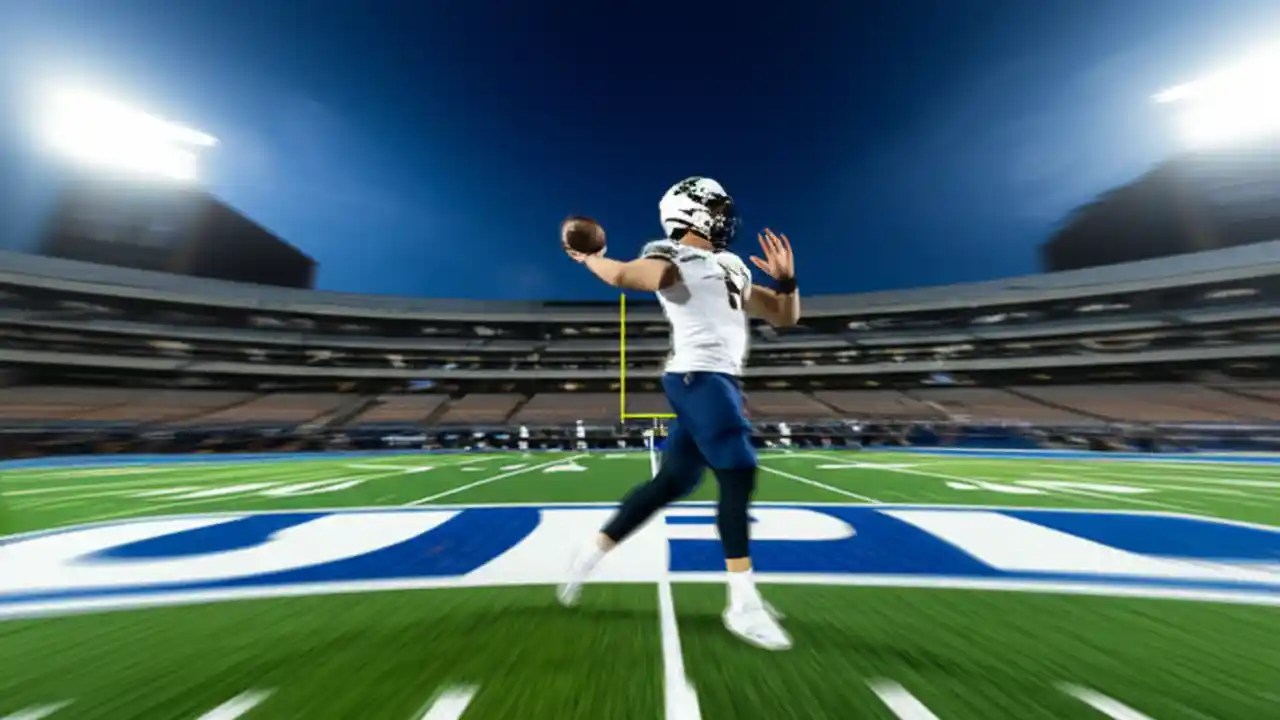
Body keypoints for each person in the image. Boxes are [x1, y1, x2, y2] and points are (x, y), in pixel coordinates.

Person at [557, 176, 800, 651]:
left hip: (716, 379)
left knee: (672, 483)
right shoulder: (671, 254)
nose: (727, 216)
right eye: (716, 207)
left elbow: (784, 315)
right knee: (738, 471)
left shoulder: (729, 263)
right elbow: (635, 277)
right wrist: (592, 259)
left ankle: (585, 556)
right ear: (692, 212)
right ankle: (742, 605)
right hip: (698, 377)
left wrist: (786, 281)